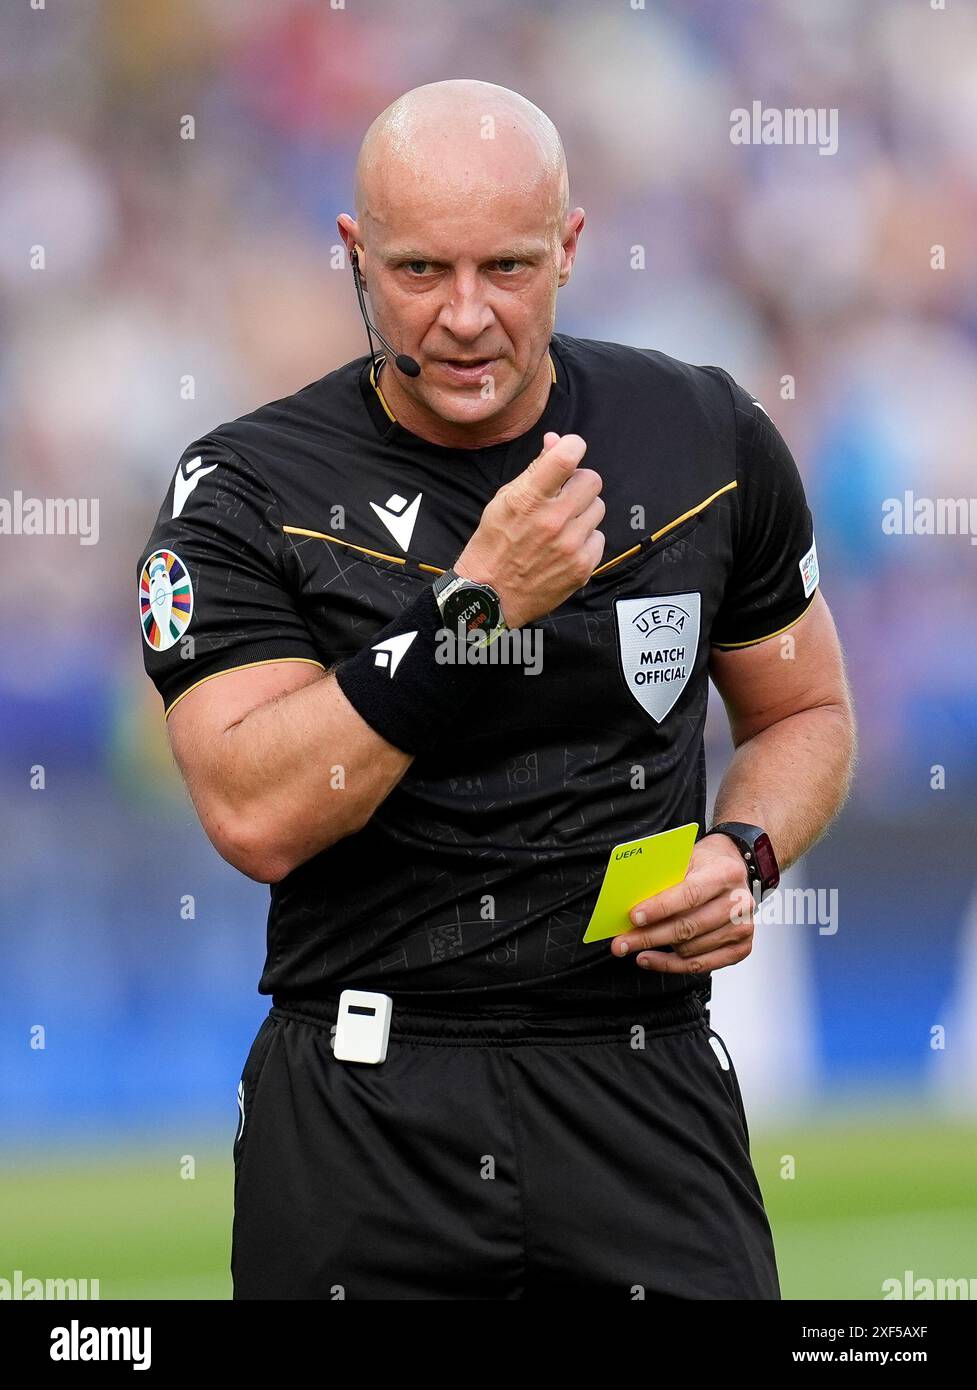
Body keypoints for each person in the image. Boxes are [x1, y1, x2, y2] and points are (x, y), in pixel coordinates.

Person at [137, 79, 856, 1300]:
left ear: (568, 249)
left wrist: (743, 851)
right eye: (419, 271)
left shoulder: (697, 434)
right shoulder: (246, 487)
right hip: (367, 1102)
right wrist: (473, 613)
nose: (466, 316)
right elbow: (254, 812)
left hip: (643, 1075)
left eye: (507, 268)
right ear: (353, 256)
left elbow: (806, 713)